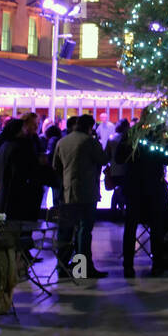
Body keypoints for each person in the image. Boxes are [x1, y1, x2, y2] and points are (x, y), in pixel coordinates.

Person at [53, 114, 107, 278]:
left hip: (67, 192)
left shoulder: (62, 141)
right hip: (86, 192)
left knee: (66, 231)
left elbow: (56, 165)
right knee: (84, 232)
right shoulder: (89, 141)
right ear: (90, 127)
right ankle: (81, 270)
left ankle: (62, 267)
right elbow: (103, 159)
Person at [118, 128, 168, 278]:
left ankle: (128, 267)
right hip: (154, 189)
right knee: (156, 227)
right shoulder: (159, 138)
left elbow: (118, 158)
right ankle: (157, 264)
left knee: (130, 228)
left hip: (134, 188)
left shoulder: (130, 136)